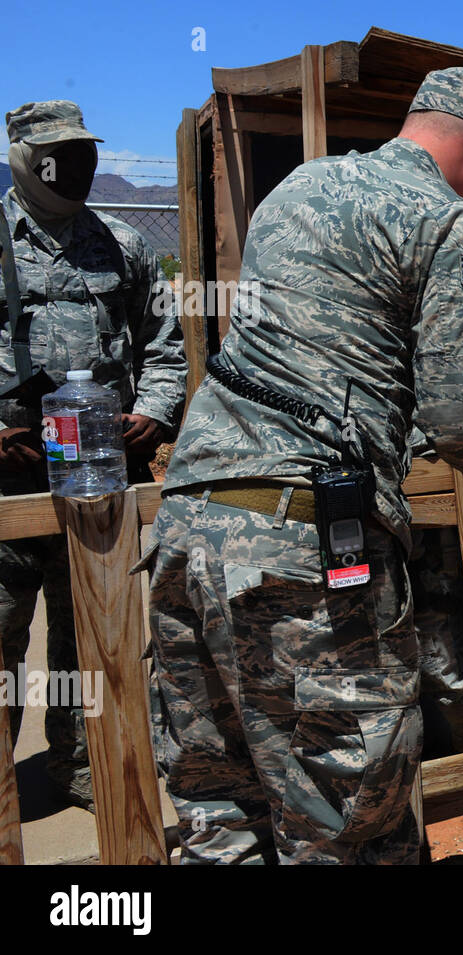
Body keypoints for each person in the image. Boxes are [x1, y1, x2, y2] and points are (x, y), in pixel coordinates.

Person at [144, 67, 463, 864]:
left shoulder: (302, 186)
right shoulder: (450, 221)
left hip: (189, 528)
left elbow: (344, 318)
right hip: (305, 546)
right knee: (350, 815)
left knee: (217, 800)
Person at [0, 100, 185, 811]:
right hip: (10, 480)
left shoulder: (122, 245)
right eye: (60, 155)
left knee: (91, 628)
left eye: (85, 153)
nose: (78, 166)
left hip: (98, 473)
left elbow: (164, 345)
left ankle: (80, 762)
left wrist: (155, 412)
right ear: (22, 156)